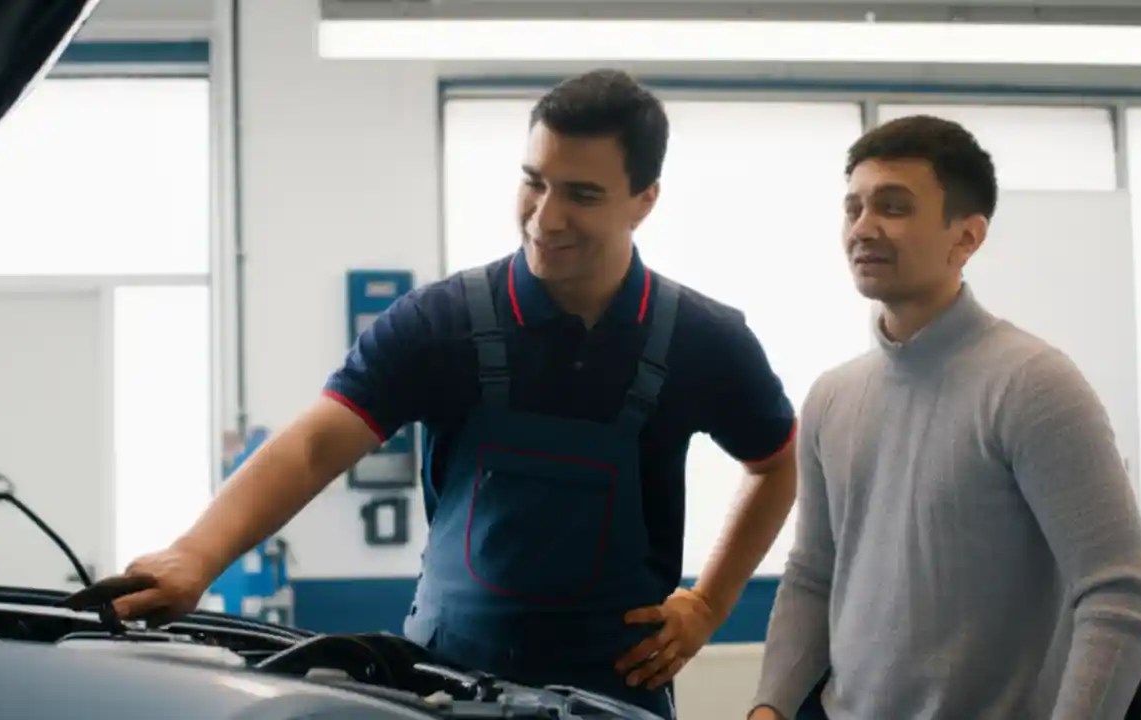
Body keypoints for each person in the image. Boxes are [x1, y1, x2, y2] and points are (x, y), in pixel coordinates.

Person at [64, 69, 800, 719]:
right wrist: (197, 556)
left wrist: (708, 604)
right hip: (447, 685)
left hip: (614, 695)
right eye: (533, 181)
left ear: (644, 200)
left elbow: (777, 460)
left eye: (582, 194)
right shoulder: (442, 322)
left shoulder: (702, 340)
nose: (546, 217)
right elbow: (319, 442)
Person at [747, 115, 1141, 720]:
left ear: (966, 238)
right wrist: (769, 707)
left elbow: (1121, 598)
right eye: (853, 207)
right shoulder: (831, 397)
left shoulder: (1034, 385)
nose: (864, 228)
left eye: (893, 206)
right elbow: (814, 574)